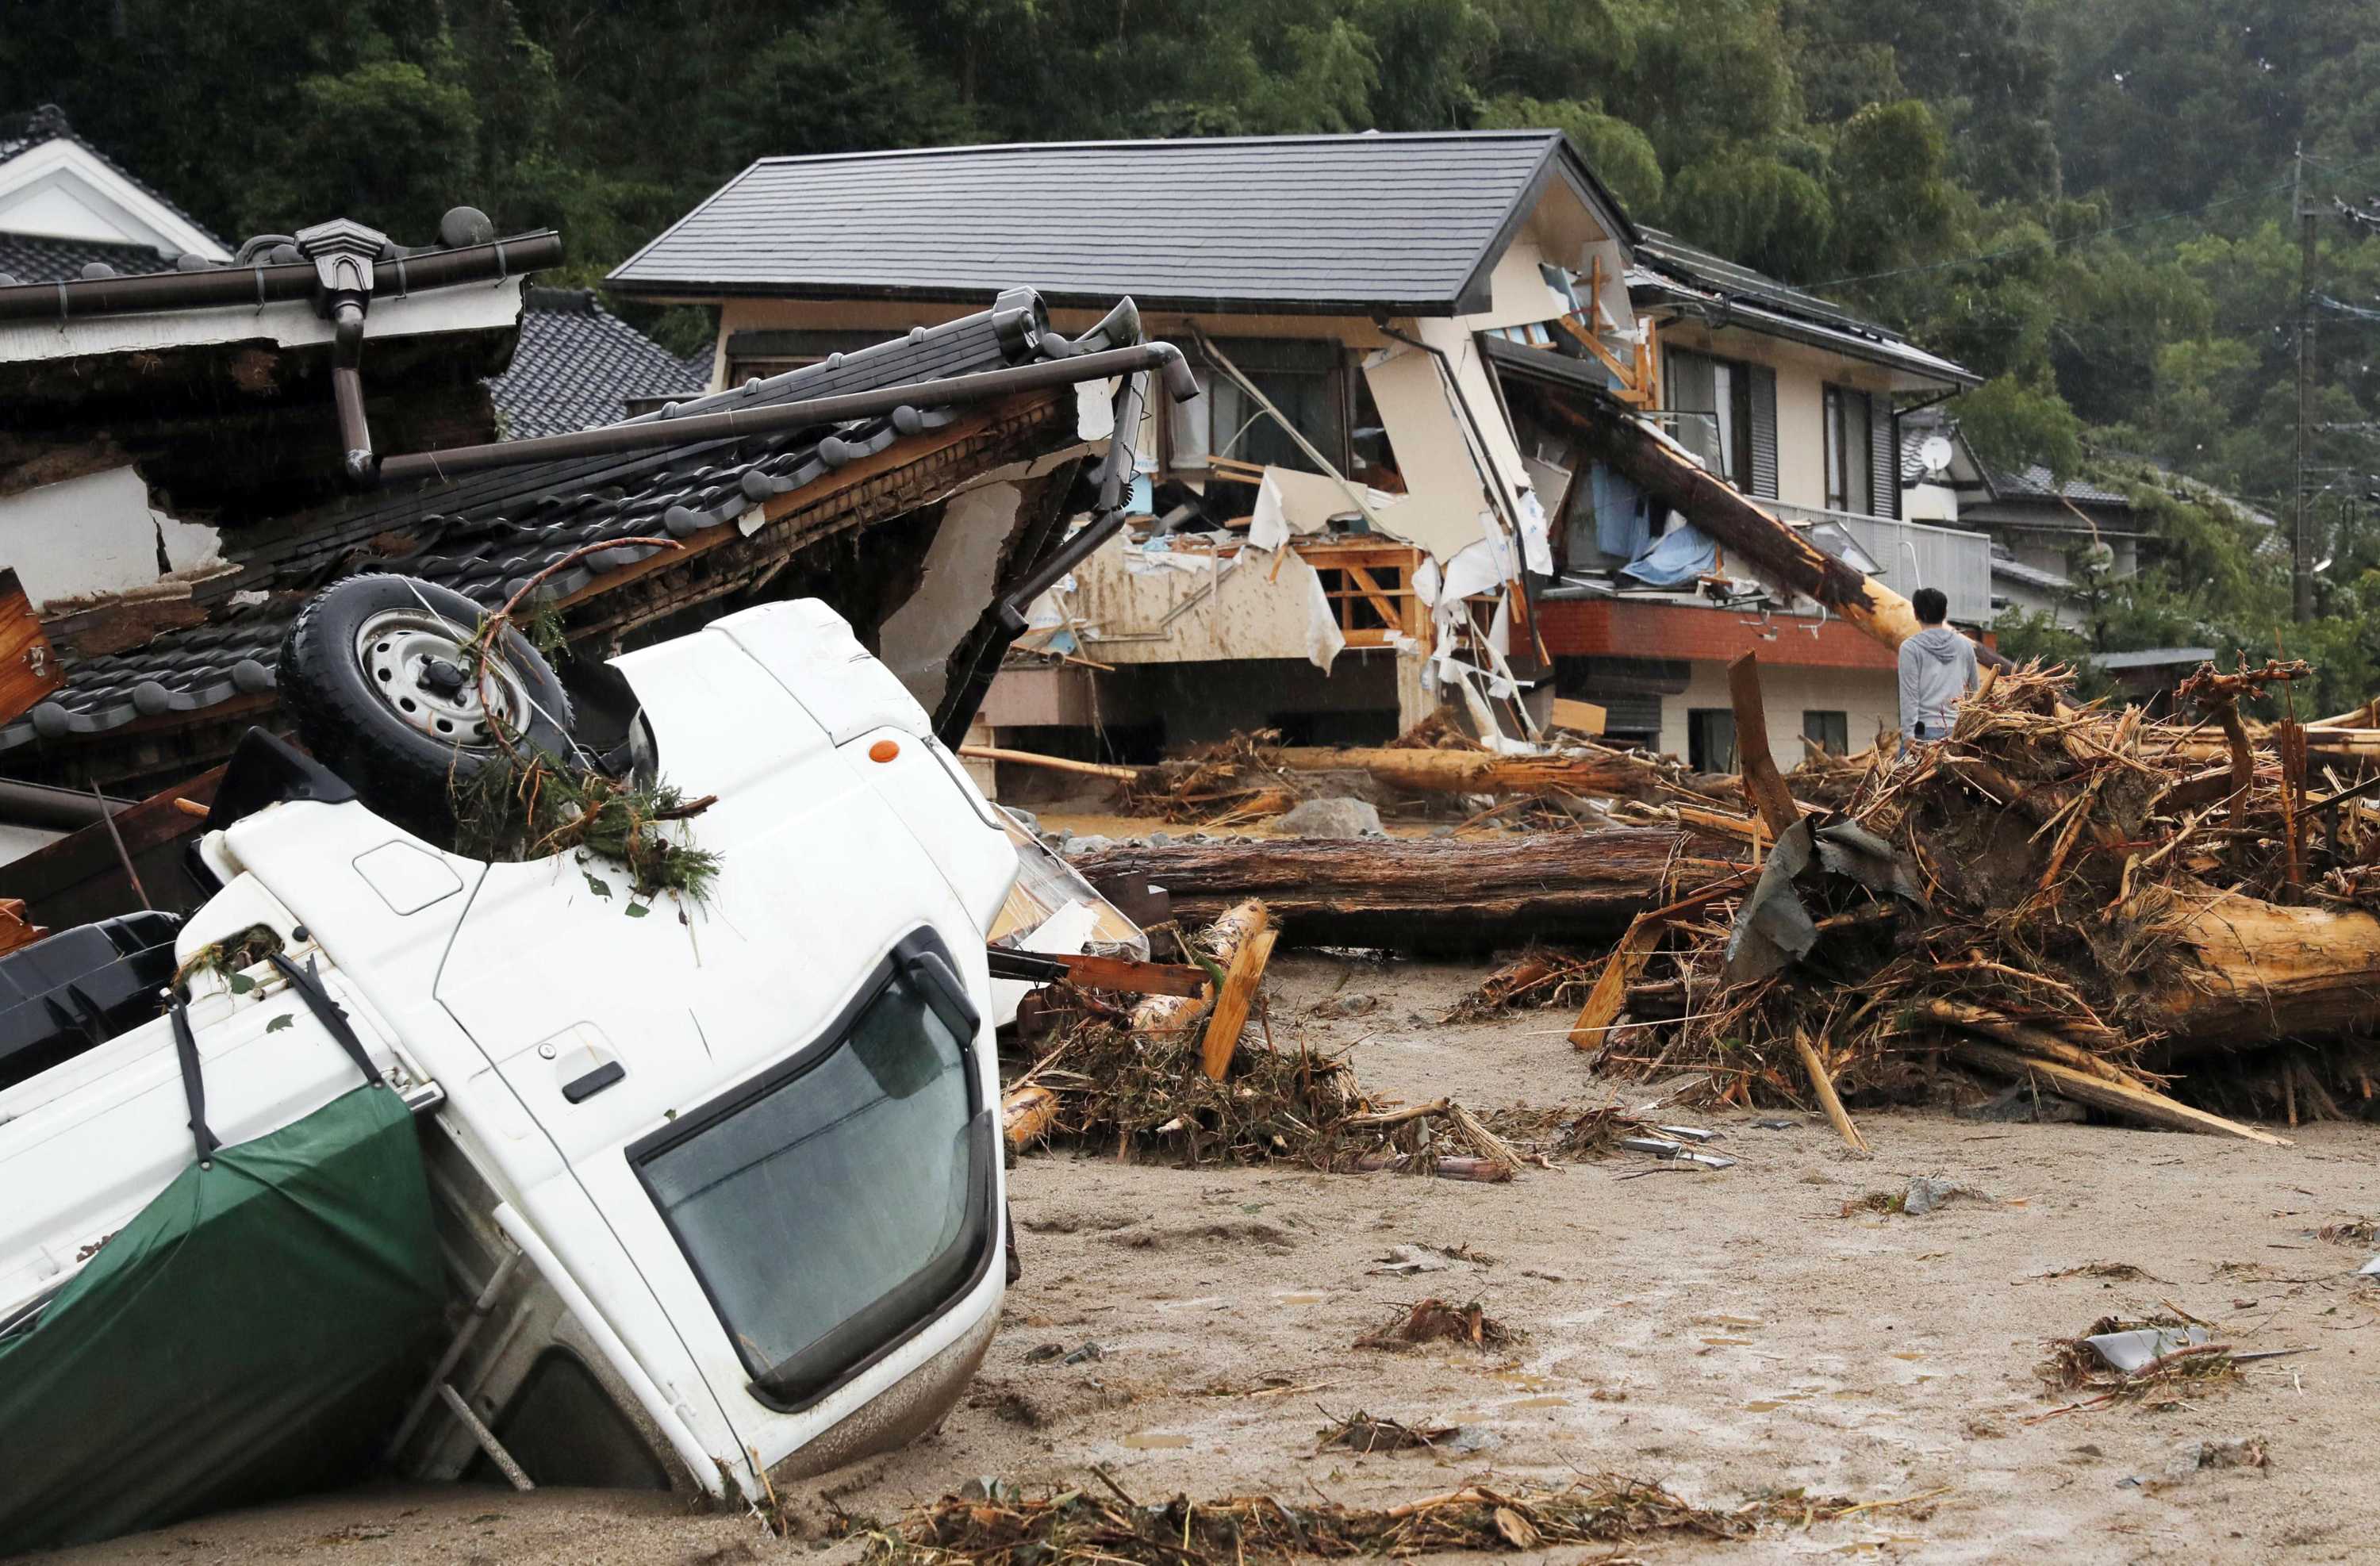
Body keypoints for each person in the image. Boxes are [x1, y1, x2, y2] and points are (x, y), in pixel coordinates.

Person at [1898, 586, 1978, 744]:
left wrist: (1908, 734)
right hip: (1957, 733)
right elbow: (1975, 692)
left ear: (1915, 614)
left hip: (1922, 733)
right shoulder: (1965, 646)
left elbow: (1910, 696)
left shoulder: (1910, 648)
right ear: (1945, 613)